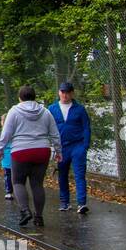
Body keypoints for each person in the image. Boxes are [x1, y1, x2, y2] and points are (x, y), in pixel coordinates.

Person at [0, 85, 63, 227]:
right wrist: (58, 151)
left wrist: (0, 148)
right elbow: (55, 133)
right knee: (37, 184)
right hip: (42, 150)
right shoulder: (45, 112)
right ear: (34, 97)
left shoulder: (14, 111)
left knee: (18, 182)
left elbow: (6, 132)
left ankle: (25, 210)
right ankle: (39, 217)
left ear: (20, 98)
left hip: (21, 151)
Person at [49, 81, 92, 214]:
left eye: (67, 93)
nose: (65, 95)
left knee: (79, 174)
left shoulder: (79, 109)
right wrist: (52, 146)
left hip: (77, 145)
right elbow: (48, 127)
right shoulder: (52, 109)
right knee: (62, 174)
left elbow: (86, 127)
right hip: (61, 146)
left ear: (72, 93)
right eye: (63, 92)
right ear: (59, 93)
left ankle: (81, 203)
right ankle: (64, 202)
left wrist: (85, 145)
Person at [0, 113, 14, 200]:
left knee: (7, 174)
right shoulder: (16, 130)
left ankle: (9, 191)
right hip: (16, 154)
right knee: (17, 175)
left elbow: (1, 144)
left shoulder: (4, 132)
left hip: (6, 155)